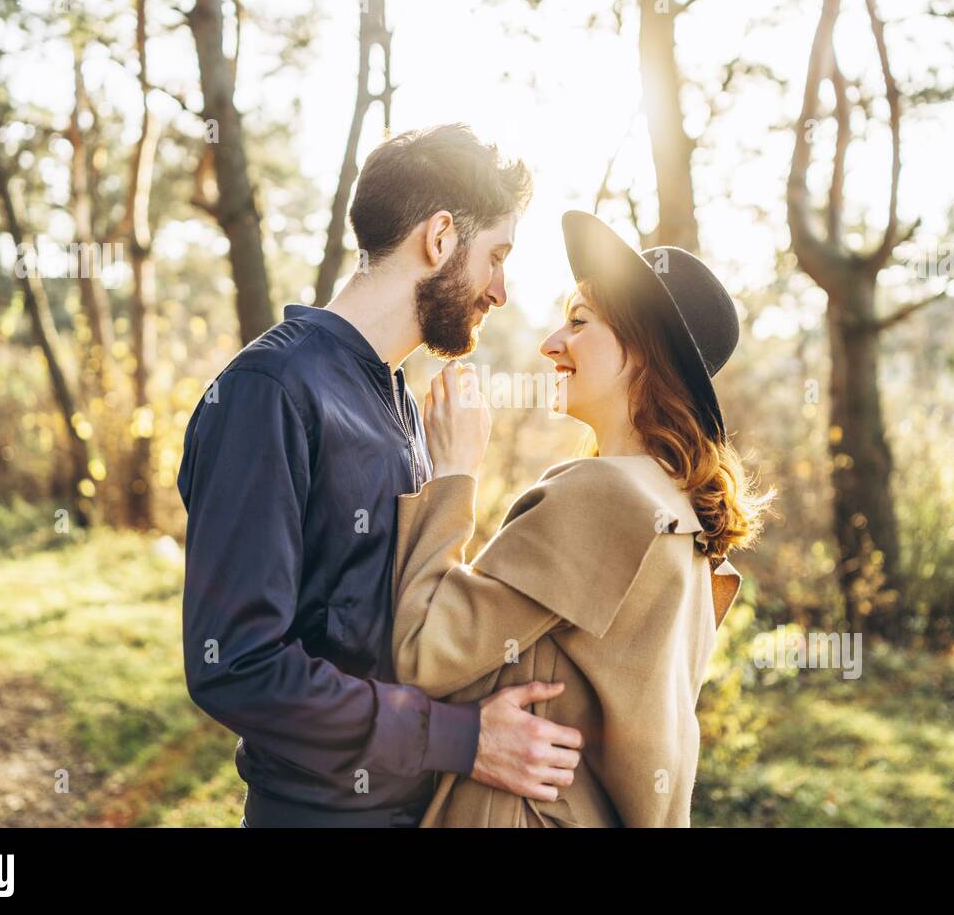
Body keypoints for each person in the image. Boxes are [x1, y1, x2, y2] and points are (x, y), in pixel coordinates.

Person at [177, 124, 586, 827]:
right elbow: (236, 667)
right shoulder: (270, 391)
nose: (502, 290)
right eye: (496, 256)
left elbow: (395, 627)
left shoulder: (396, 398)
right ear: (439, 238)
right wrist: (462, 739)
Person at [390, 210, 774, 826]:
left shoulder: (602, 496)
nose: (549, 343)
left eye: (578, 322)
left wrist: (452, 475)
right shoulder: (681, 512)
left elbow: (421, 653)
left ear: (645, 354)